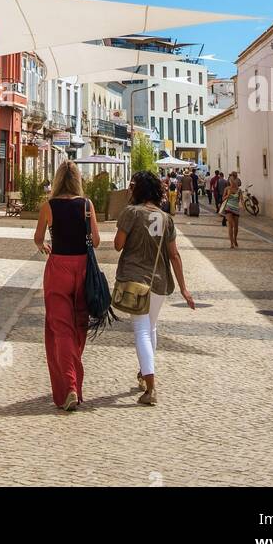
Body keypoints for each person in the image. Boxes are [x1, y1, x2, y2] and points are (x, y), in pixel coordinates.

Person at [114, 170, 195, 406]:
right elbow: (175, 255)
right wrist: (184, 289)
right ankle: (144, 373)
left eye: (132, 186)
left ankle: (150, 387)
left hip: (135, 280)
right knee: (151, 327)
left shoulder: (131, 213)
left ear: (139, 190)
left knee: (141, 329)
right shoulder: (166, 218)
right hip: (159, 281)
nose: (130, 190)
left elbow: (118, 245)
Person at [34, 160, 100, 412]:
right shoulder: (86, 205)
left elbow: (38, 238)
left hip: (58, 269)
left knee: (60, 329)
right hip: (82, 269)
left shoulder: (48, 206)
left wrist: (44, 247)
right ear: (77, 181)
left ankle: (70, 387)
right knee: (78, 326)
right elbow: (95, 240)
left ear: (58, 179)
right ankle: (73, 383)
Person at [222, 171, 243, 247]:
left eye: (233, 181)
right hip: (228, 208)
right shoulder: (227, 189)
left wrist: (243, 206)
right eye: (230, 181)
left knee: (236, 227)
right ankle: (231, 243)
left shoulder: (239, 190)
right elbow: (223, 199)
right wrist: (228, 195)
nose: (232, 182)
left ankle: (235, 239)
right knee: (230, 225)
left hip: (236, 208)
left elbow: (241, 199)